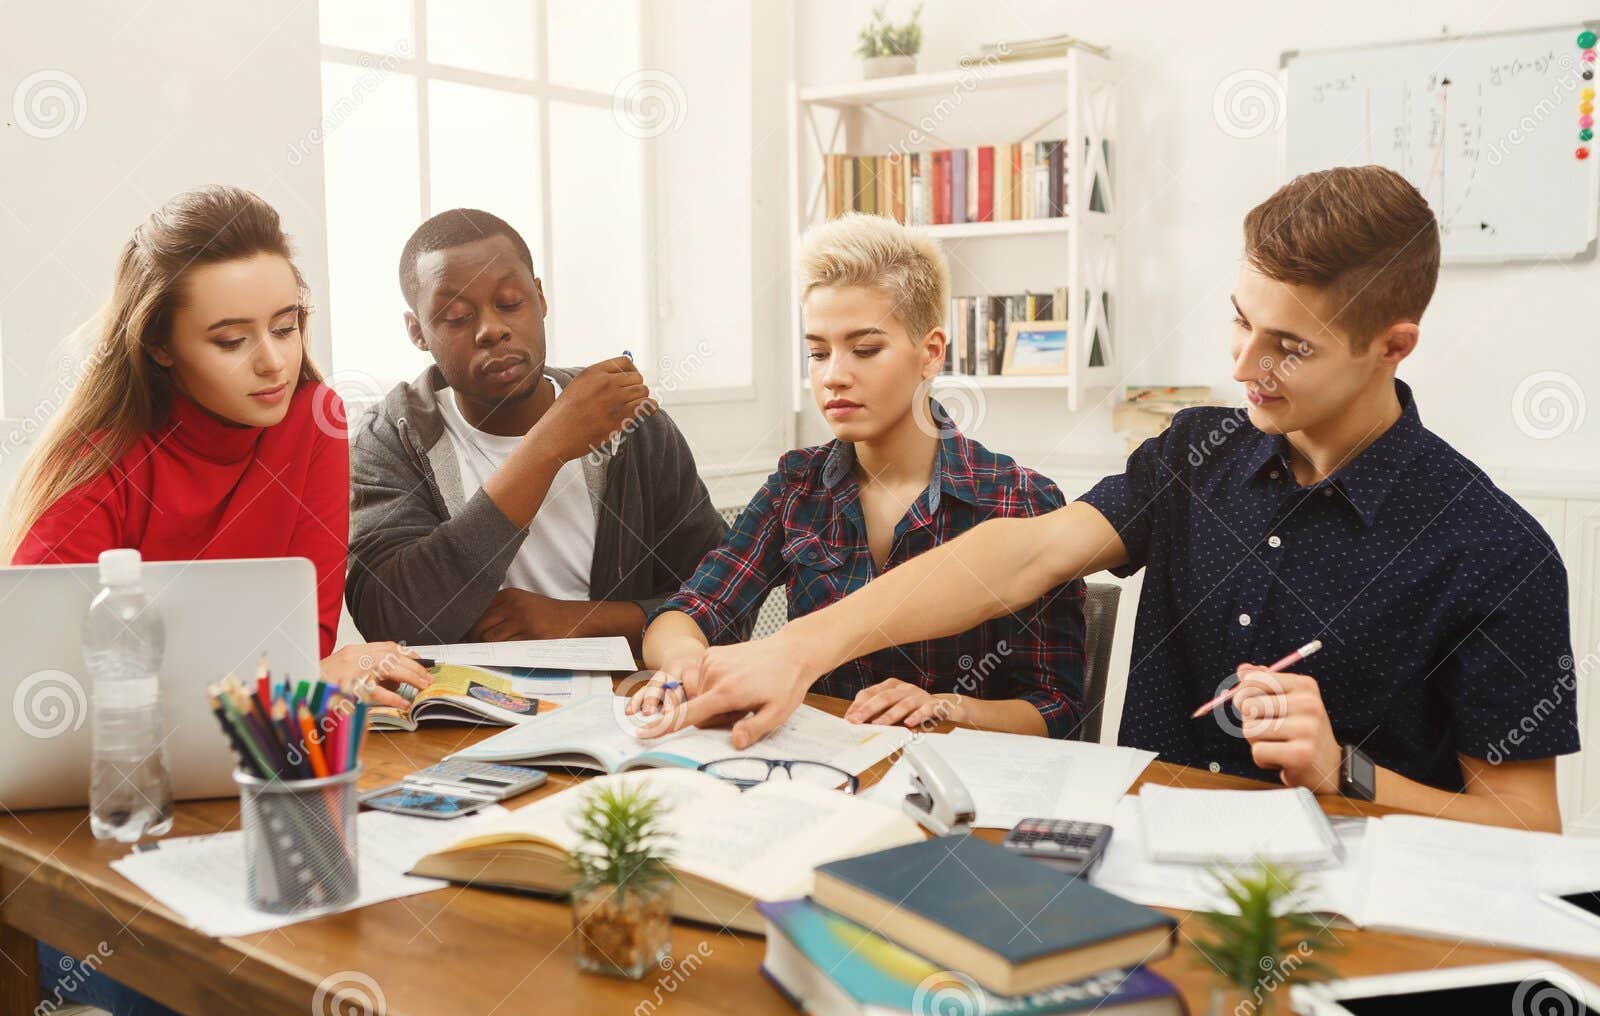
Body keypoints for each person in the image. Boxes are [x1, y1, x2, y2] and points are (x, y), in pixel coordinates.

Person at [645, 167, 1578, 833]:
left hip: (1340, 912)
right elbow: (1022, 552)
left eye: (1287, 347)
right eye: (1240, 320)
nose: (1241, 368)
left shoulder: (1496, 551)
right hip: (1130, 868)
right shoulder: (1198, 451)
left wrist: (1347, 770)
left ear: (1394, 345)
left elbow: (1524, 824)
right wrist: (802, 648)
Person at [5, 185, 430, 1016]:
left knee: (385, 966)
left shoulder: (316, 423)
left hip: (260, 794)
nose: (274, 361)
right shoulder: (101, 464)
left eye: (289, 324)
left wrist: (327, 665)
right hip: (95, 833)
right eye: (232, 340)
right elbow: (33, 695)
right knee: (211, 1010)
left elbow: (297, 644)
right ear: (159, 343)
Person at [630, 214, 1084, 737]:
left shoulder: (1019, 500)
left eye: (865, 350)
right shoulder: (795, 487)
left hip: (963, 786)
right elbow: (688, 611)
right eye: (818, 352)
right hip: (819, 769)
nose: (834, 375)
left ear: (931, 352)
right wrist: (685, 661)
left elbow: (1060, 708)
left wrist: (947, 708)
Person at [345, 209, 728, 651]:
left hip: (623, 708)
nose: (492, 329)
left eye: (510, 303)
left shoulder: (631, 425)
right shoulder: (391, 437)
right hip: (461, 716)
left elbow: (726, 605)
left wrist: (577, 622)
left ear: (540, 298)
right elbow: (391, 622)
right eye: (456, 317)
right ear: (418, 331)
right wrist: (546, 447)